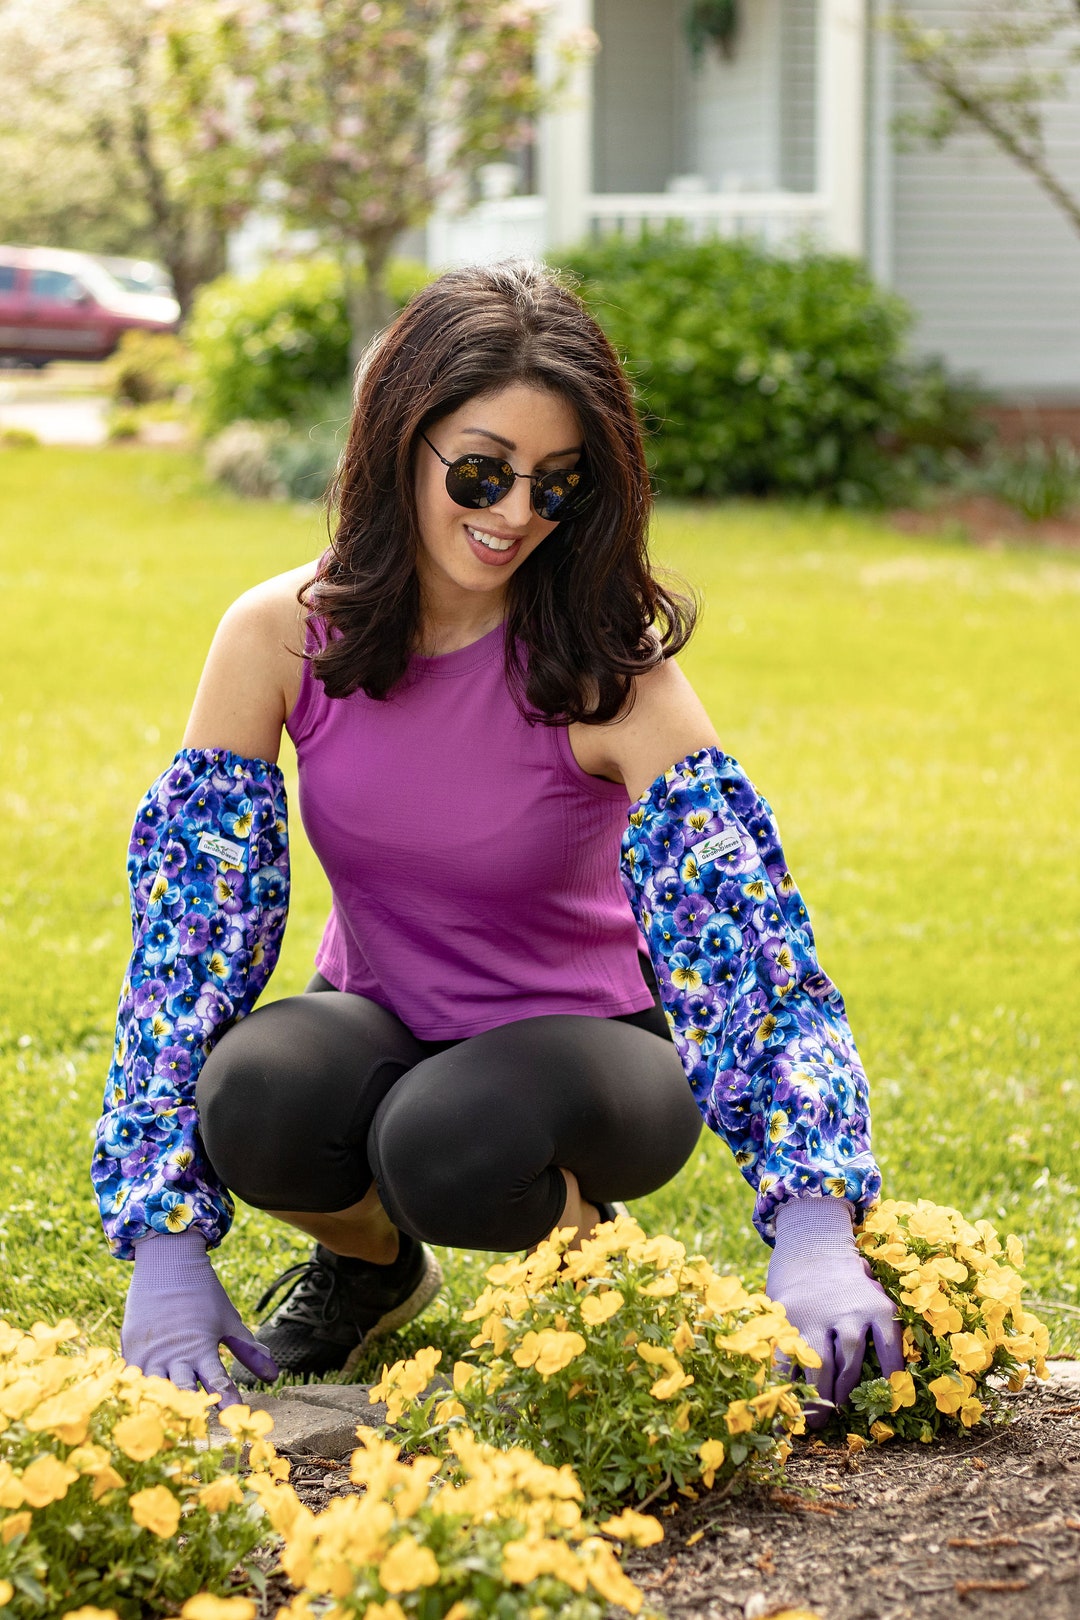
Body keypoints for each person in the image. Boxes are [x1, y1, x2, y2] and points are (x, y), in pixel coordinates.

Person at [96, 260, 904, 1413]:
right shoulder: (283, 634)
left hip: (591, 1055)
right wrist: (162, 1237)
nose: (516, 514)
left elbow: (749, 947)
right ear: (399, 444)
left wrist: (817, 1224)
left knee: (448, 1138)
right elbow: (189, 945)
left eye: (556, 484)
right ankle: (373, 1270)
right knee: (257, 1094)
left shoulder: (606, 660)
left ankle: (604, 1273)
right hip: (390, 1020)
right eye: (481, 472)